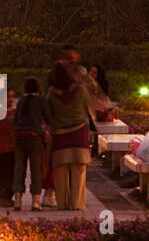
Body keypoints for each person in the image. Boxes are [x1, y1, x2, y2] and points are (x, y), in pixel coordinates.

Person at [46, 61, 96, 210]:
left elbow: (48, 114)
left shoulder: (51, 93)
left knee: (61, 172)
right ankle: (77, 203)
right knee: (79, 172)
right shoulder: (80, 90)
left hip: (60, 136)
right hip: (79, 134)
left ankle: (62, 203)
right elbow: (90, 108)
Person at [12, 76, 52, 210]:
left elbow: (16, 119)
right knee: (36, 169)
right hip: (34, 137)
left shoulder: (21, 100)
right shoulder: (41, 100)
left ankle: (18, 199)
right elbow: (48, 118)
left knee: (19, 168)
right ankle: (35, 201)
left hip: (19, 137)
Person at [0, 88, 18, 207]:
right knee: (3, 173)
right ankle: (2, 195)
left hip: (13, 148)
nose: (11, 99)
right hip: (3, 148)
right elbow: (0, 131)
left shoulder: (14, 112)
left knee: (11, 172)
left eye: (12, 96)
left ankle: (8, 195)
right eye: (8, 97)